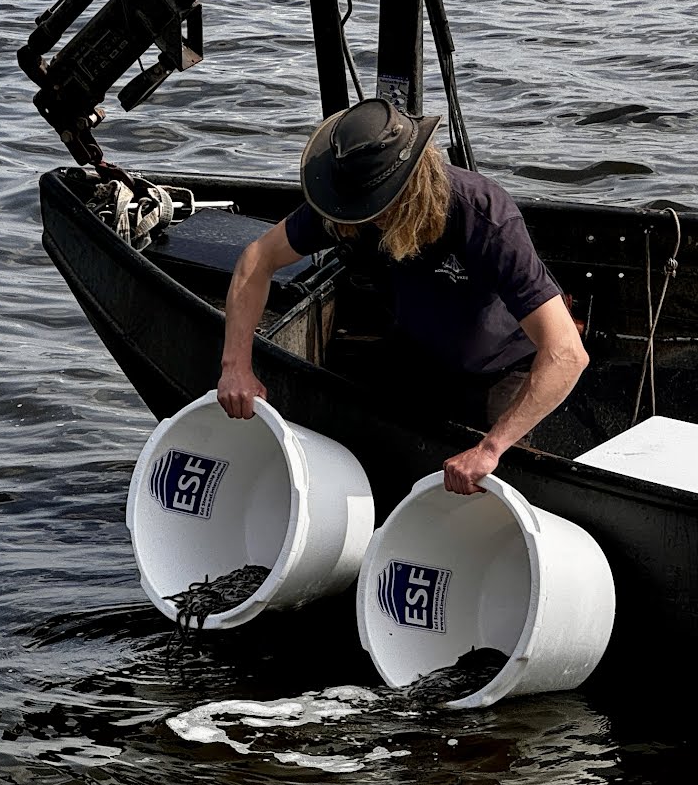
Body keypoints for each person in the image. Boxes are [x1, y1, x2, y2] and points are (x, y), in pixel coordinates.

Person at [215, 97, 588, 495]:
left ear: (407, 190)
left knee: (488, 489)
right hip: (416, 350)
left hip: (498, 367)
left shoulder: (484, 214)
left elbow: (566, 354)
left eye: (374, 209)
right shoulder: (347, 211)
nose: (364, 219)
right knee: (370, 465)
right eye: (356, 209)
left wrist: (490, 449)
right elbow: (256, 260)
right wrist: (235, 365)